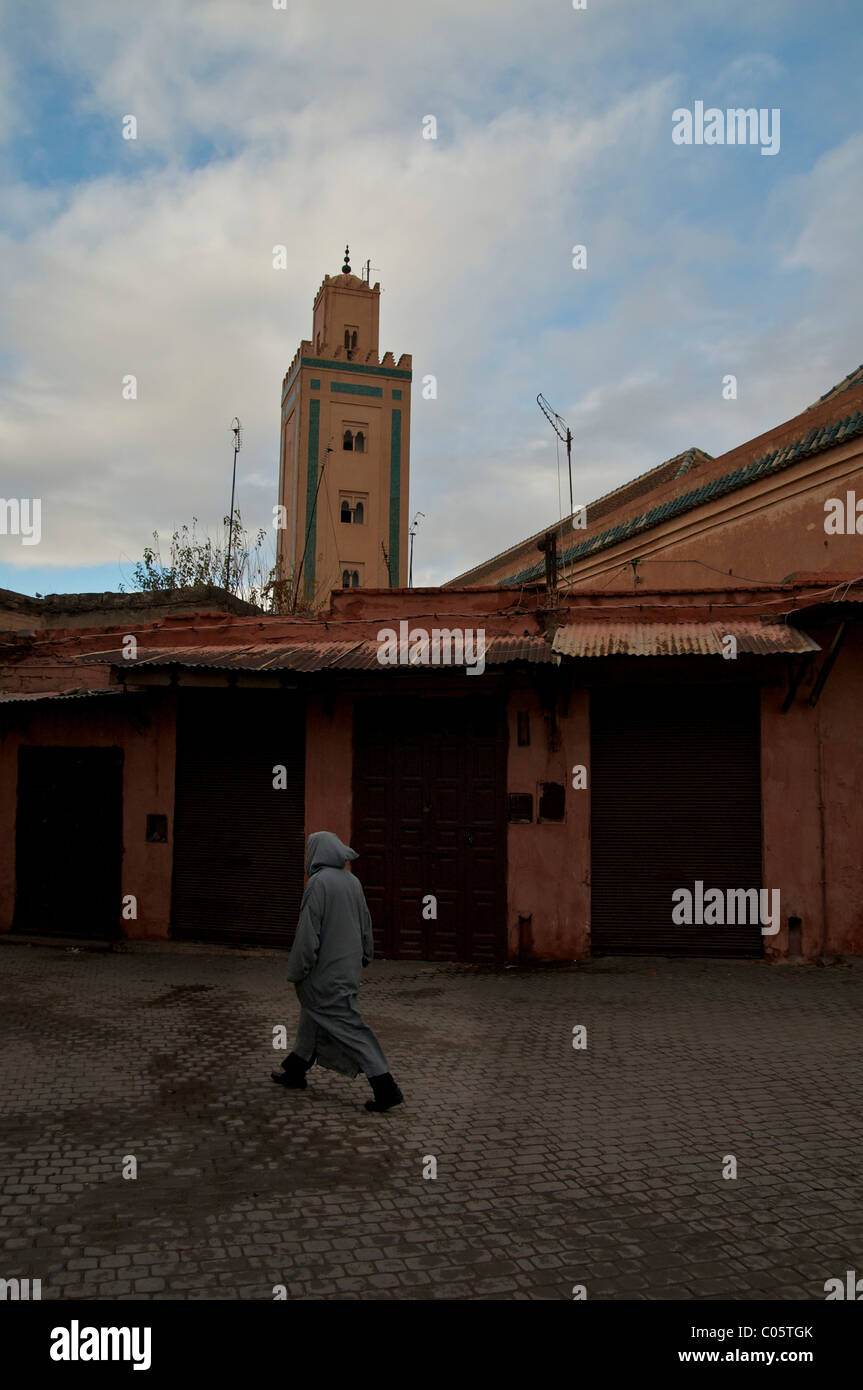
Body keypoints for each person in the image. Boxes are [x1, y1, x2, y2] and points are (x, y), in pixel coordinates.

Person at [272, 831, 404, 1113]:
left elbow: (308, 934)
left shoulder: (317, 883)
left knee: (349, 1026)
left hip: (324, 974)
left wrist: (298, 970)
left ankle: (385, 1085)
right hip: (347, 970)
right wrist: (366, 954)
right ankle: (295, 1069)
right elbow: (365, 922)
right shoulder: (352, 882)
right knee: (312, 1016)